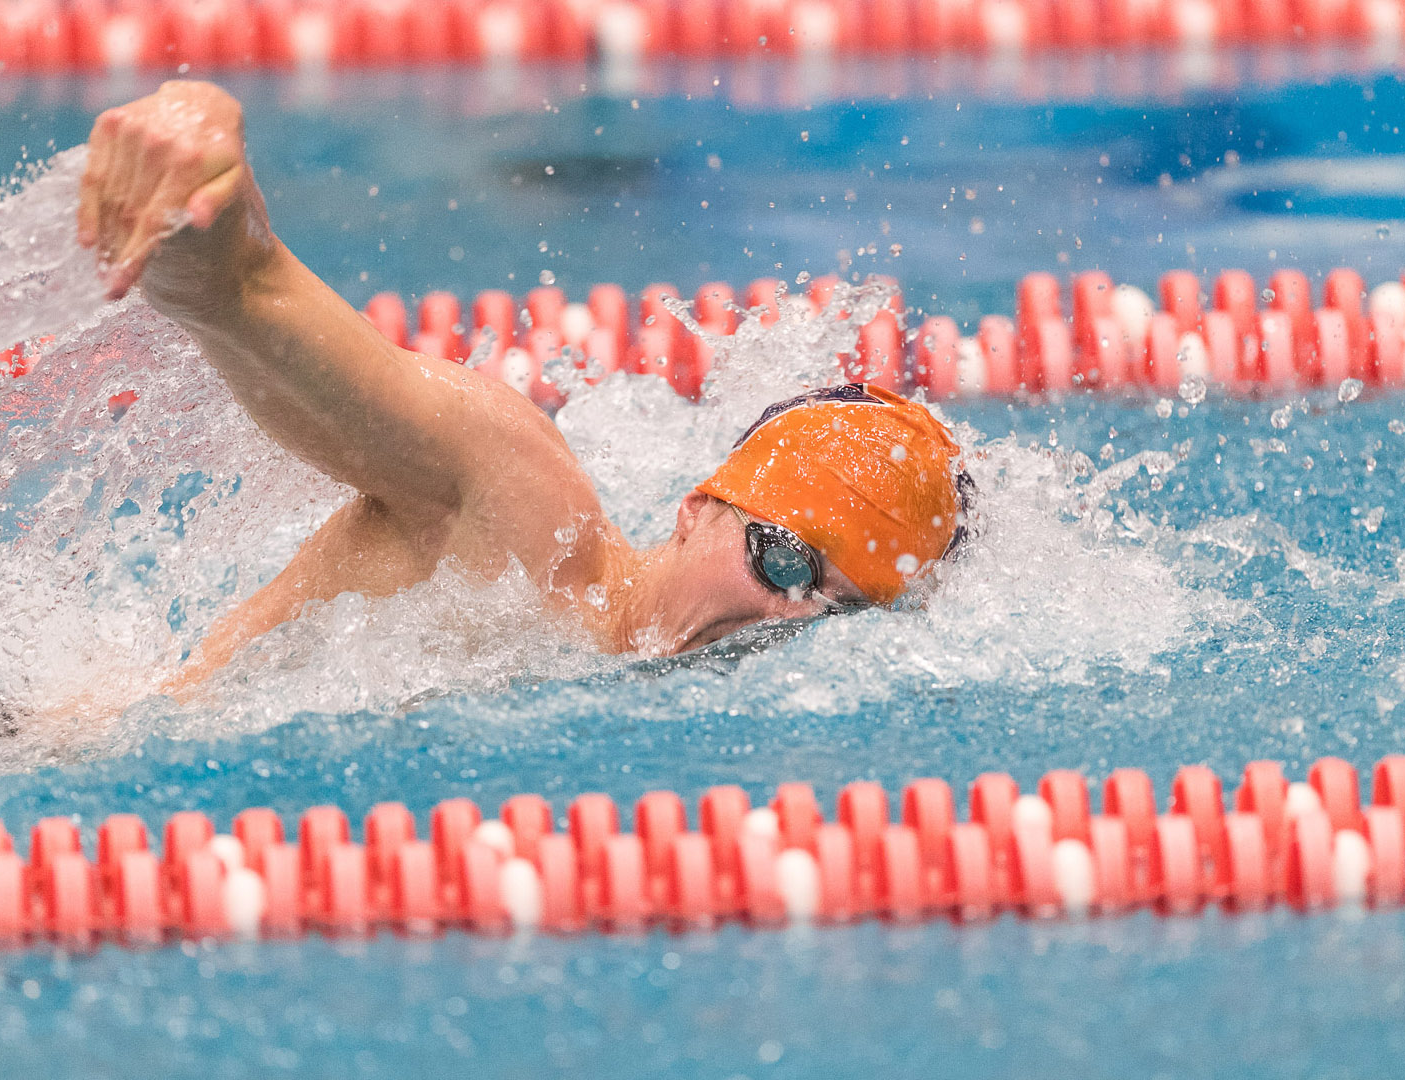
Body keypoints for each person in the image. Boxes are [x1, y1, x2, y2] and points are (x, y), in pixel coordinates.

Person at [76, 81, 970, 695]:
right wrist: (196, 149)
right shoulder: (515, 513)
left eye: (840, 615)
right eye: (783, 562)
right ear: (698, 509)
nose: (788, 623)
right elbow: (237, 290)